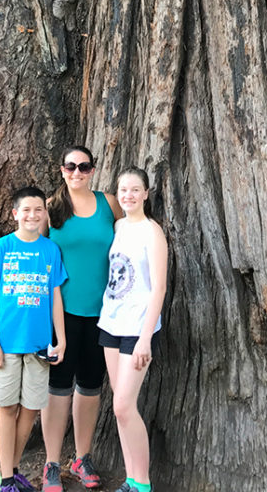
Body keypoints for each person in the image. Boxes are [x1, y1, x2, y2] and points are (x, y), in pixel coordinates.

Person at [41, 146, 122, 492]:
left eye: (84, 166)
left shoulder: (110, 204)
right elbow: (36, 254)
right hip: (62, 315)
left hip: (103, 315)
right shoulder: (51, 208)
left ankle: (82, 457)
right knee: (58, 388)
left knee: (90, 386)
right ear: (61, 170)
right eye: (70, 166)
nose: (77, 172)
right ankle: (52, 464)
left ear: (93, 169)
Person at [0, 186, 67, 492]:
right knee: (7, 408)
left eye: (38, 210)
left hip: (39, 345)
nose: (32, 215)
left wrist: (62, 339)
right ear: (15, 214)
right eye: (26, 210)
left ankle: (13, 468)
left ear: (45, 213)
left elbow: (56, 297)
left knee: (30, 409)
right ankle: (6, 480)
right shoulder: (2, 248)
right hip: (5, 345)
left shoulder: (50, 250)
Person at [97, 167, 168, 492]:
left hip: (138, 329)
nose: (127, 195)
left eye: (134, 190)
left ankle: (143, 484)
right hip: (111, 322)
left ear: (145, 193)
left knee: (123, 405)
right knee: (121, 407)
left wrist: (144, 340)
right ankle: (130, 479)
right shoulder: (118, 226)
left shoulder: (152, 232)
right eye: (122, 190)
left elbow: (159, 289)